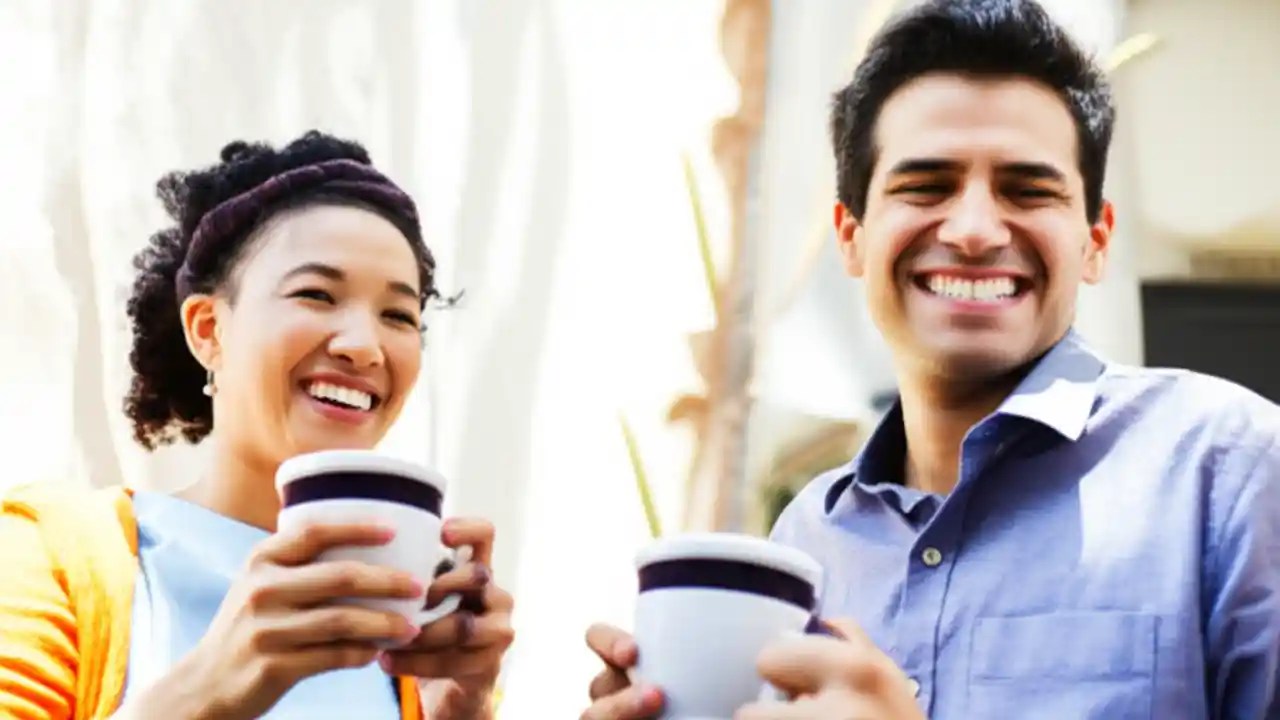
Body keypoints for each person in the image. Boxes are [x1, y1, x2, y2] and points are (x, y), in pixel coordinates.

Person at [581, 0, 1280, 718]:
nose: (975, 230)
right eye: (925, 186)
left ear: (1095, 241)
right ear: (850, 235)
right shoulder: (807, 541)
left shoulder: (1230, 468)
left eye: (1026, 189)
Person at [0, 132, 515, 719]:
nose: (364, 347)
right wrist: (208, 689)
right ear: (208, 330)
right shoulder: (53, 554)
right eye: (316, 294)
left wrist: (459, 713)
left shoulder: (414, 637)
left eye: (399, 315)